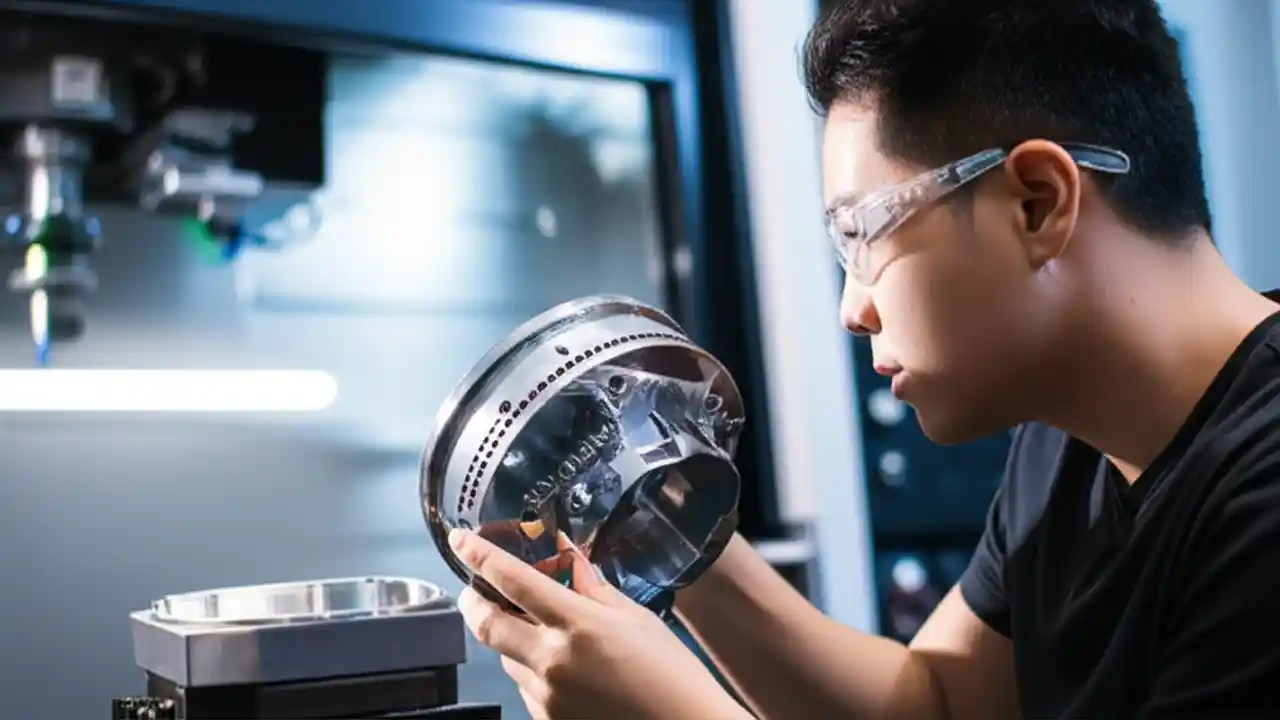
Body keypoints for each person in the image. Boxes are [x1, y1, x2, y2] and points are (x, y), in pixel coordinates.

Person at [446, 0, 1280, 717]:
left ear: (1037, 204)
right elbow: (940, 705)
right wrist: (655, 511)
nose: (854, 310)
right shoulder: (1072, 438)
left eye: (862, 234)